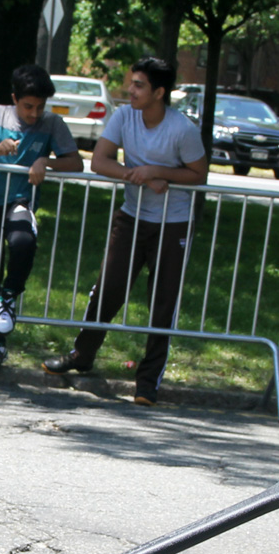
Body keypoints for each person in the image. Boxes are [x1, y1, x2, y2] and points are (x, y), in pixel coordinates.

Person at [42, 57, 206, 406]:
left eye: (139, 85)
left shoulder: (182, 129)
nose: (130, 90)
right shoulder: (123, 116)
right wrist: (136, 175)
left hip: (172, 222)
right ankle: (82, 355)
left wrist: (158, 171)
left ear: (159, 92)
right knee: (107, 290)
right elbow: (100, 161)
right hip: (131, 216)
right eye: (132, 83)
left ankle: (147, 381)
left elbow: (197, 174)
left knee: (163, 302)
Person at [0, 63, 83, 370]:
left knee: (23, 241)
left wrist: (47, 161)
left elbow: (76, 162)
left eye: (40, 107)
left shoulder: (52, 123)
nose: (34, 114)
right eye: (28, 106)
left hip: (21, 200)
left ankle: (9, 296)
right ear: (14, 98)